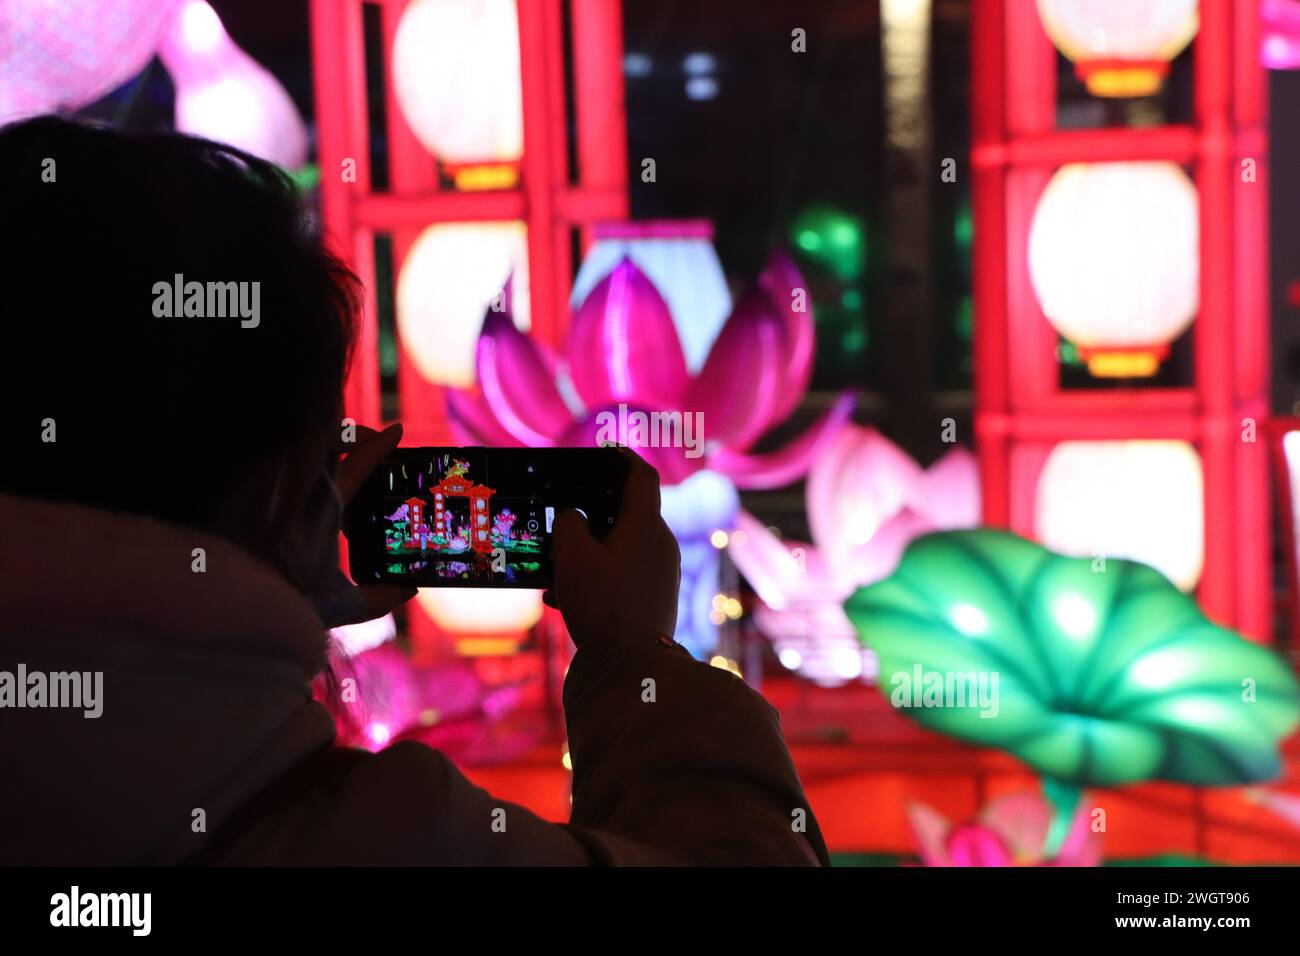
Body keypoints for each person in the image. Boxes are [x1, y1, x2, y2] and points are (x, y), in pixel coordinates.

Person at [0, 117, 828, 866]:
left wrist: (267, 595)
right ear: (286, 474)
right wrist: (632, 658)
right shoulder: (367, 834)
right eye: (329, 436)